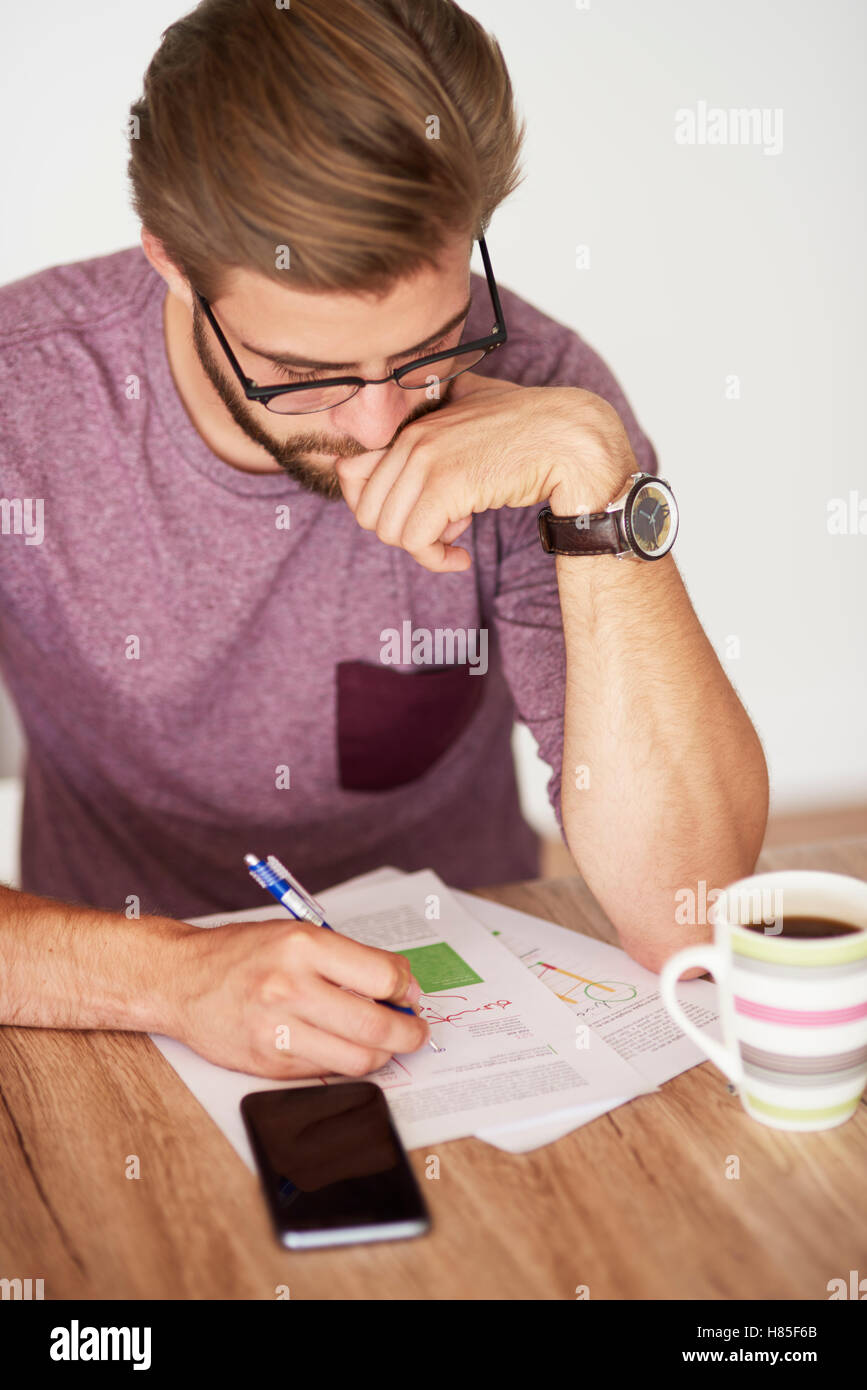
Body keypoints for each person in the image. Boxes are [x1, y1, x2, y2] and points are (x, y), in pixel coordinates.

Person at [0, 0, 768, 1079]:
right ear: (171, 262)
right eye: (306, 375)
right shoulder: (19, 398)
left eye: (429, 349)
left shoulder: (545, 400)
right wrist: (171, 976)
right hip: (109, 1022)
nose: (381, 424)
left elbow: (692, 916)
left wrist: (598, 475)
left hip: (463, 1017)